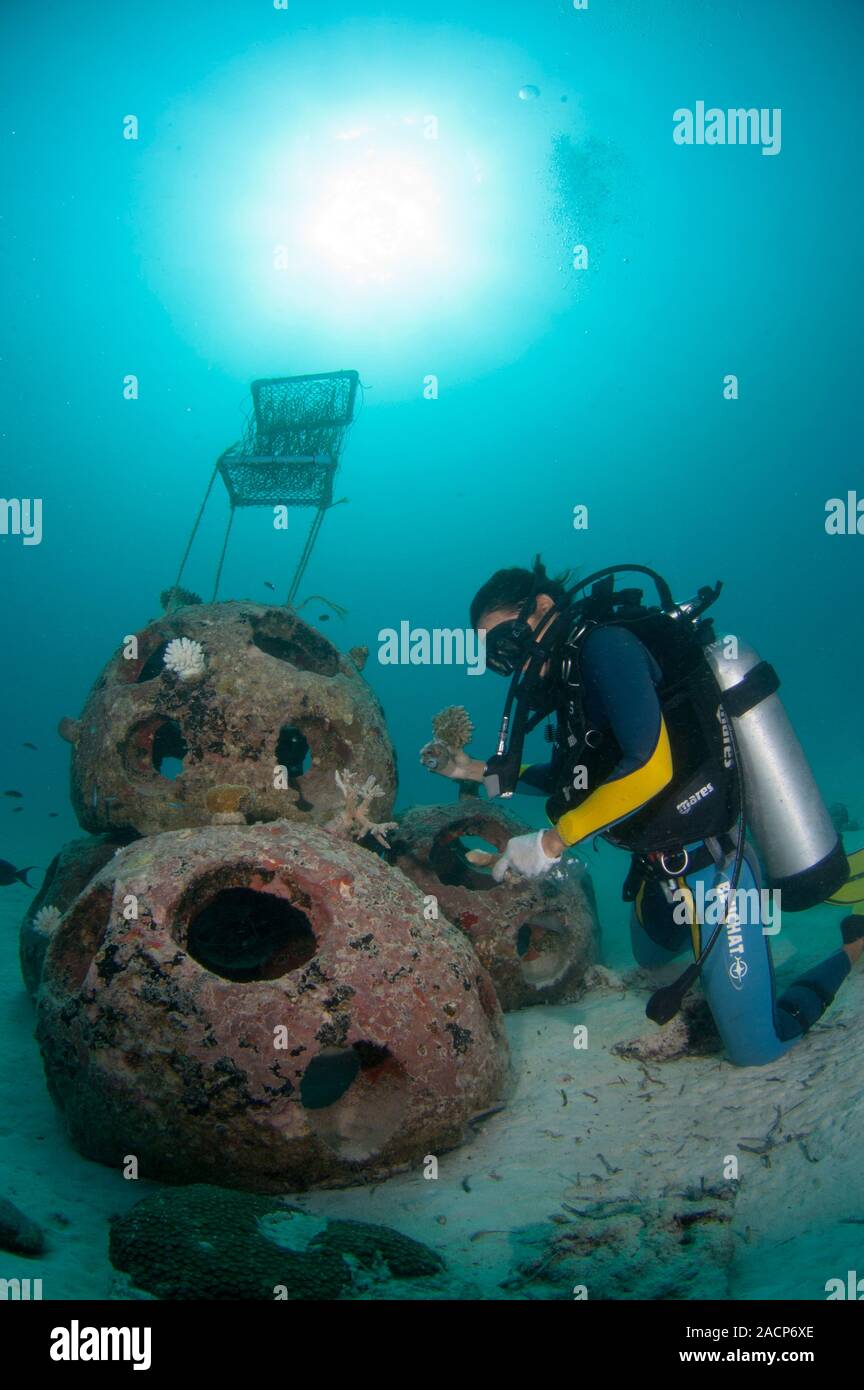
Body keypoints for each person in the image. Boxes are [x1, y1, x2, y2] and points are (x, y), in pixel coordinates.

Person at [421, 557, 863, 1068]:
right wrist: (472, 769)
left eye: (506, 643)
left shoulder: (605, 648)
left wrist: (552, 841)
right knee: (652, 956)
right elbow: (574, 778)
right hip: (654, 868)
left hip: (708, 863)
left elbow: (650, 768)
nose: (507, 663)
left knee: (756, 1048)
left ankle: (851, 947)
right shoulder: (571, 677)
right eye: (494, 655)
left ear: (542, 608)